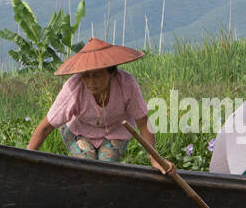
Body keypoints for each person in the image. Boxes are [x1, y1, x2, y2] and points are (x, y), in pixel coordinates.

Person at [26, 37, 173, 174]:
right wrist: (27, 160)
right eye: (86, 75)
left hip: (115, 130)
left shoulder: (126, 84)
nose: (90, 82)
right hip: (79, 130)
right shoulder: (73, 87)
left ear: (111, 73)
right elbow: (46, 126)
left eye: (96, 75)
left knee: (106, 167)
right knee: (87, 167)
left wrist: (155, 159)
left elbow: (143, 122)